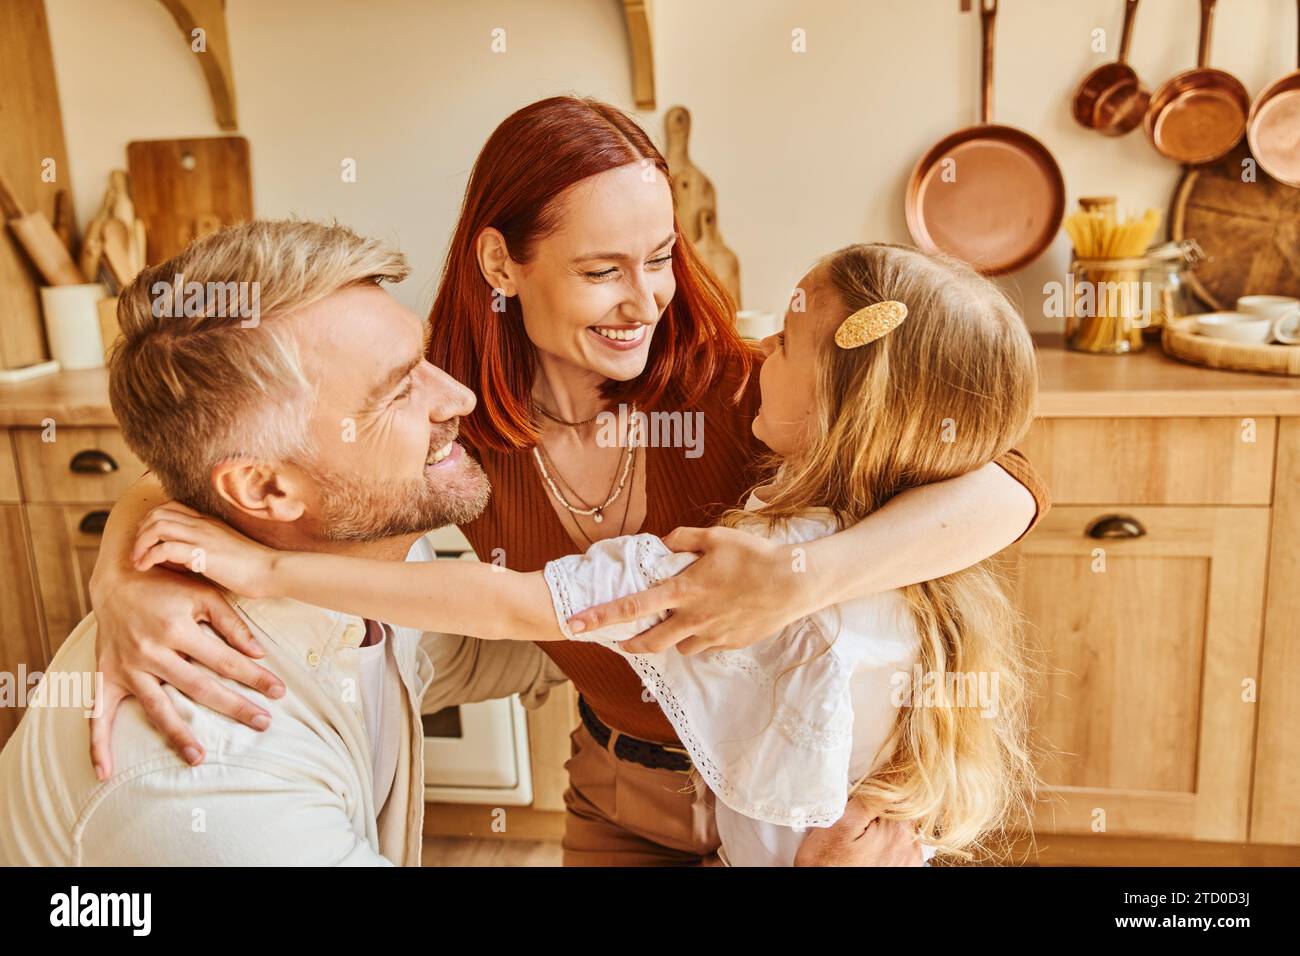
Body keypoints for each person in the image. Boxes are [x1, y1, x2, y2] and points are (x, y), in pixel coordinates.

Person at [89, 96, 1050, 866]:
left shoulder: (750, 395)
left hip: (814, 816)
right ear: (502, 262)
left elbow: (1003, 485)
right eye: (602, 271)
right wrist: (124, 573)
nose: (647, 300)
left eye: (663, 258)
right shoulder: (452, 417)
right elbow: (216, 458)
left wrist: (803, 579)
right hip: (618, 795)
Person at [0, 221, 566, 865]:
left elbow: (455, 657)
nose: (459, 397)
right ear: (265, 491)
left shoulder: (359, 561)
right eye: (399, 388)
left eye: (425, 359)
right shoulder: (205, 778)